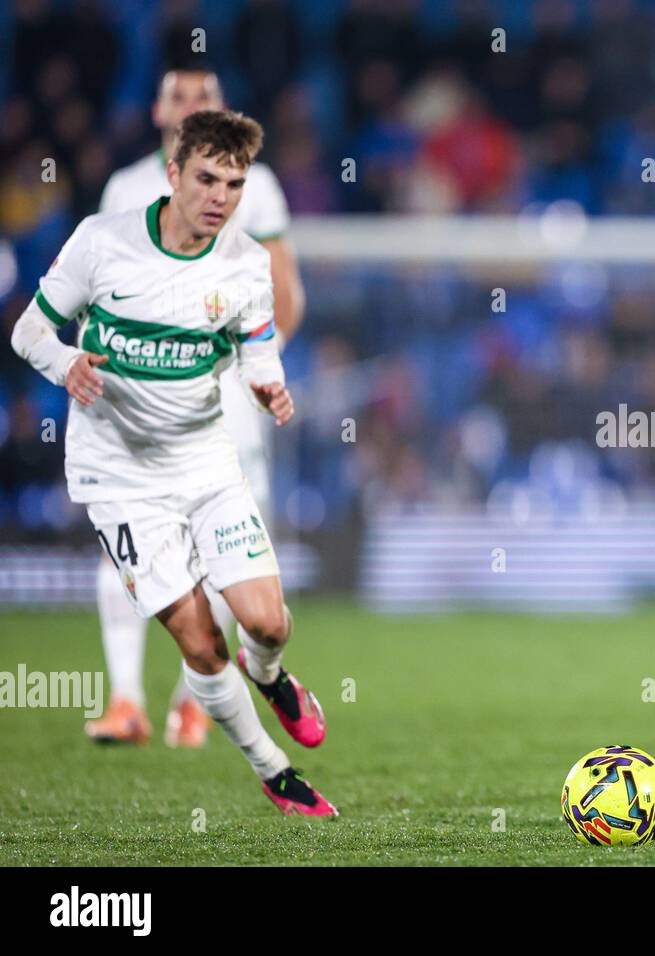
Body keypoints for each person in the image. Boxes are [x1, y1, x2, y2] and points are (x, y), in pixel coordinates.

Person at [11, 109, 335, 816]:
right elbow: (29, 328)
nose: (220, 196)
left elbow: (258, 349)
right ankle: (274, 770)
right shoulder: (103, 243)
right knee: (199, 637)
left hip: (204, 462)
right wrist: (67, 362)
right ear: (173, 175)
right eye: (208, 178)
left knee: (269, 624)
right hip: (118, 475)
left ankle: (271, 673)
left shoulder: (246, 263)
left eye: (235, 184)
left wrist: (267, 383)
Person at [89, 65, 306, 747]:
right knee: (126, 538)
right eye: (180, 96)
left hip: (225, 394)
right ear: (158, 111)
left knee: (226, 549)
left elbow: (280, 285)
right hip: (139, 393)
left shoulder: (259, 184)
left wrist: (259, 365)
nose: (191, 105)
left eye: (203, 97)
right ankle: (126, 699)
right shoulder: (125, 188)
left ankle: (195, 699)